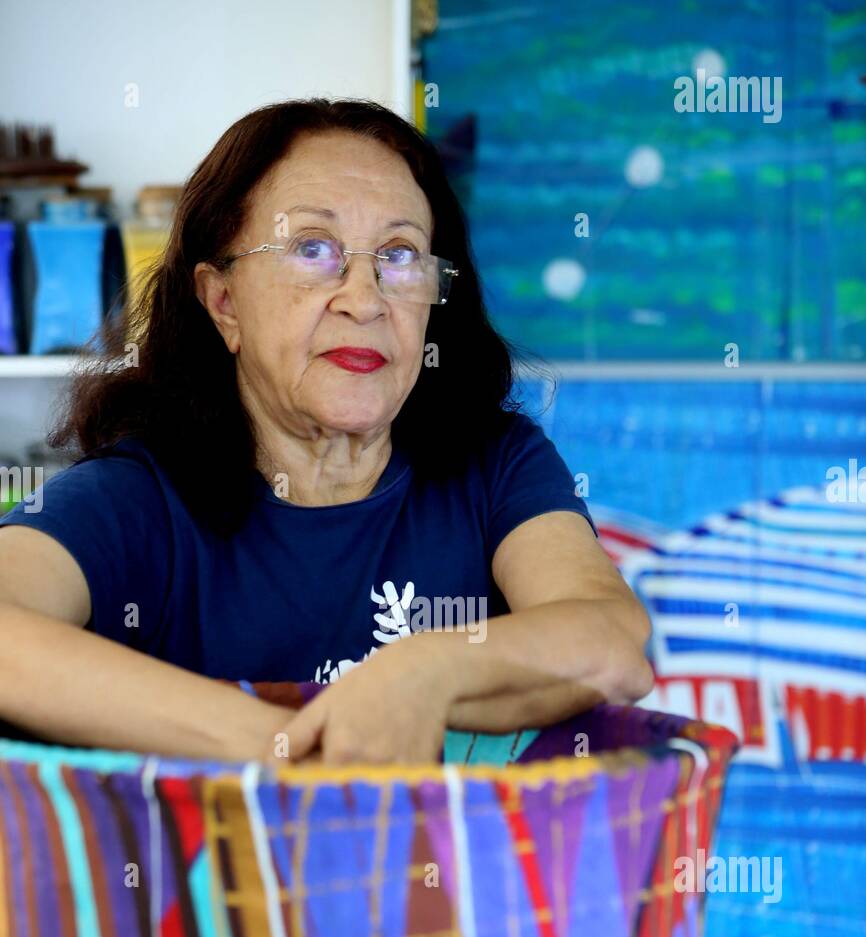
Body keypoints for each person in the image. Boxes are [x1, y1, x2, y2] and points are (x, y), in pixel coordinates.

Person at [0, 99, 652, 766]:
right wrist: (284, 746)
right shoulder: (134, 500)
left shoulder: (494, 466)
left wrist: (425, 672)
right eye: (314, 249)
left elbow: (611, 641)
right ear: (223, 301)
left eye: (399, 255)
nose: (365, 299)